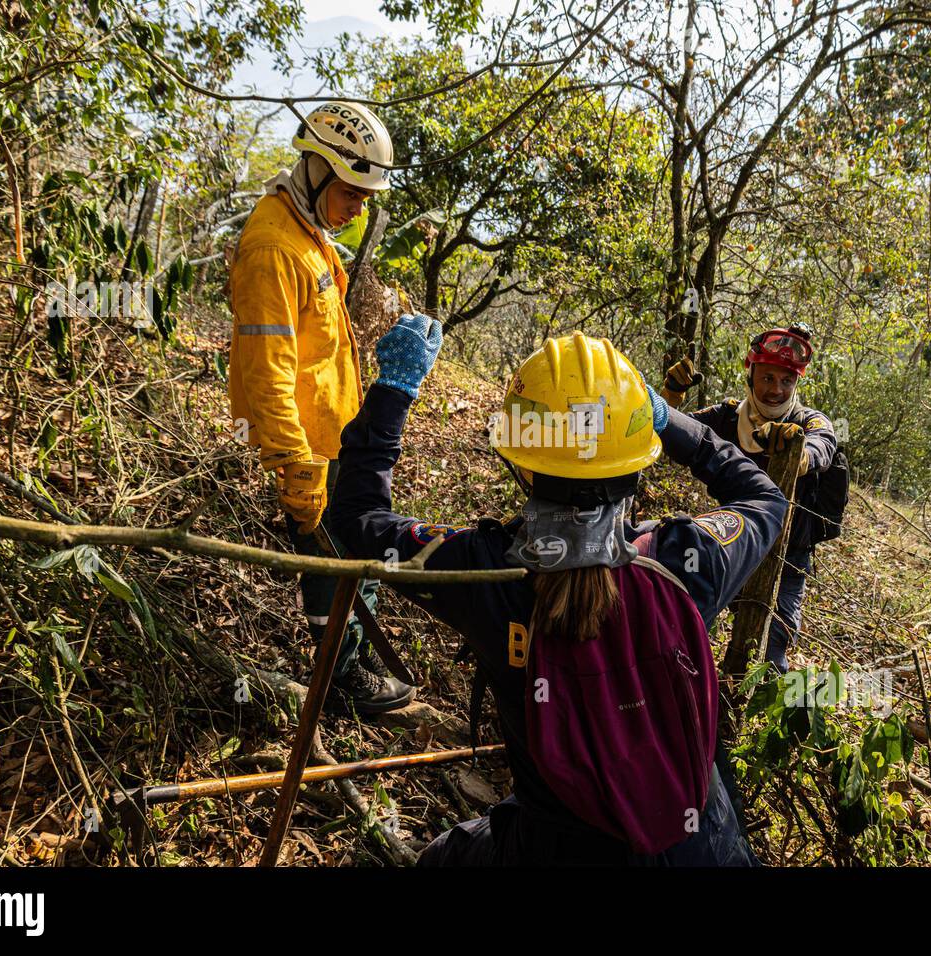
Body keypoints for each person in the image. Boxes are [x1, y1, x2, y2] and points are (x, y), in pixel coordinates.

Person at [330, 316, 791, 865]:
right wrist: (669, 423)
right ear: (636, 464)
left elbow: (357, 518)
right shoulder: (685, 563)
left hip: (554, 848)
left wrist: (393, 391)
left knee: (442, 859)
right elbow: (765, 499)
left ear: (522, 464)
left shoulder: (485, 573)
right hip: (701, 846)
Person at [227, 101, 414, 713]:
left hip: (337, 433)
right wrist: (294, 463)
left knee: (353, 550)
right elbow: (267, 370)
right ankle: (340, 681)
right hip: (310, 443)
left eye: (366, 196)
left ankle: (348, 662)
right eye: (351, 192)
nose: (359, 207)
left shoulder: (308, 235)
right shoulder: (273, 248)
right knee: (330, 566)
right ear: (315, 169)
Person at [660, 323, 840, 673]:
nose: (776, 389)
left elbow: (824, 445)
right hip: (734, 541)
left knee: (777, 638)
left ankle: (760, 702)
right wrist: (669, 397)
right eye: (768, 378)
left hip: (790, 554)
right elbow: (676, 431)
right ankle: (704, 693)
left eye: (786, 381)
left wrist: (796, 452)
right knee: (697, 619)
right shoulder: (727, 418)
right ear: (751, 374)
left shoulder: (809, 421)